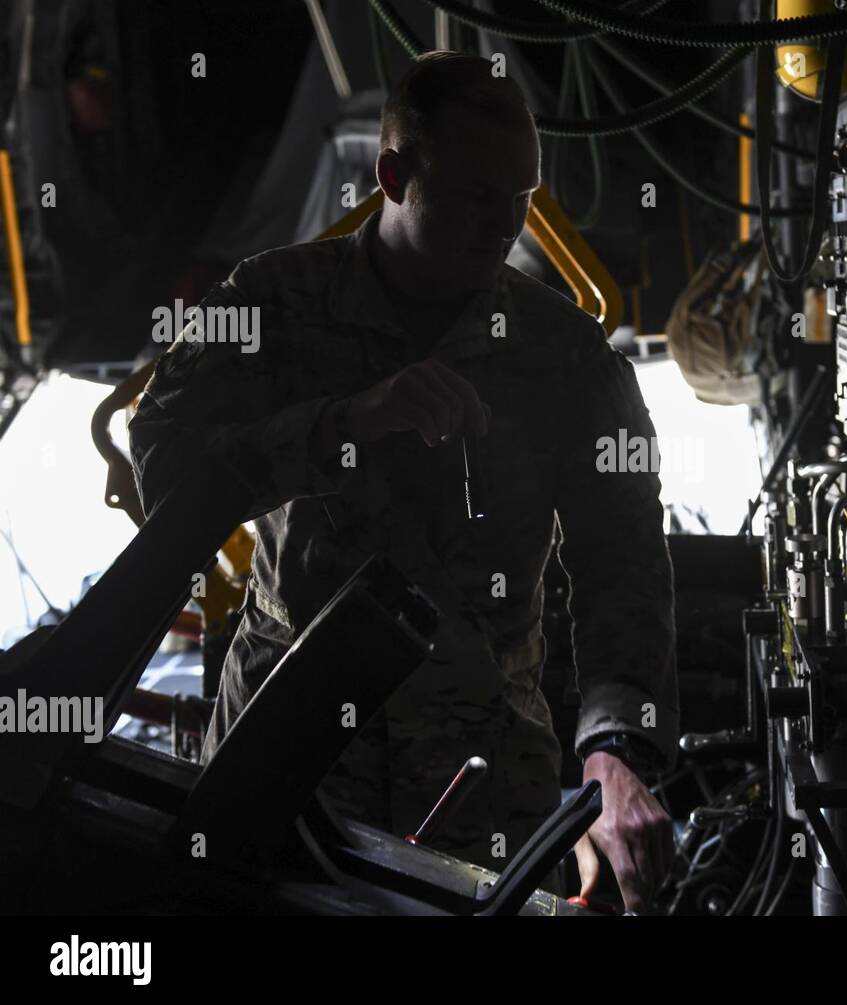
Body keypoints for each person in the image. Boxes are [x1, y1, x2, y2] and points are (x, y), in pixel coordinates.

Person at [128, 51, 678, 910]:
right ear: (394, 174)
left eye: (522, 199)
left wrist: (614, 749)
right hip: (282, 778)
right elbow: (162, 469)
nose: (505, 227)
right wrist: (341, 422)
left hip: (481, 781)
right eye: (475, 196)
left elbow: (626, 568)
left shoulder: (565, 356)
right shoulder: (269, 308)